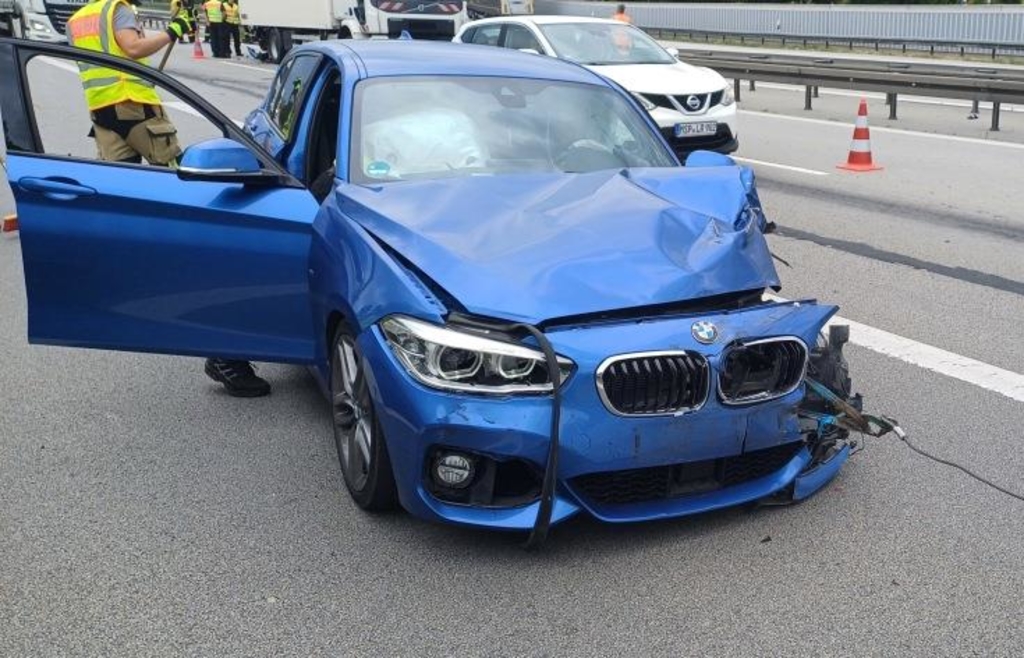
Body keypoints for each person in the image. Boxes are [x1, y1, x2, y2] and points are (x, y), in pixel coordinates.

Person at [67, 0, 271, 398]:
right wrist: (174, 30)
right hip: (136, 109)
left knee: (118, 194)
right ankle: (220, 344)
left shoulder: (79, 18)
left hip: (103, 115)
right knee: (189, 197)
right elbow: (133, 48)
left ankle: (127, 282)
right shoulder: (117, 10)